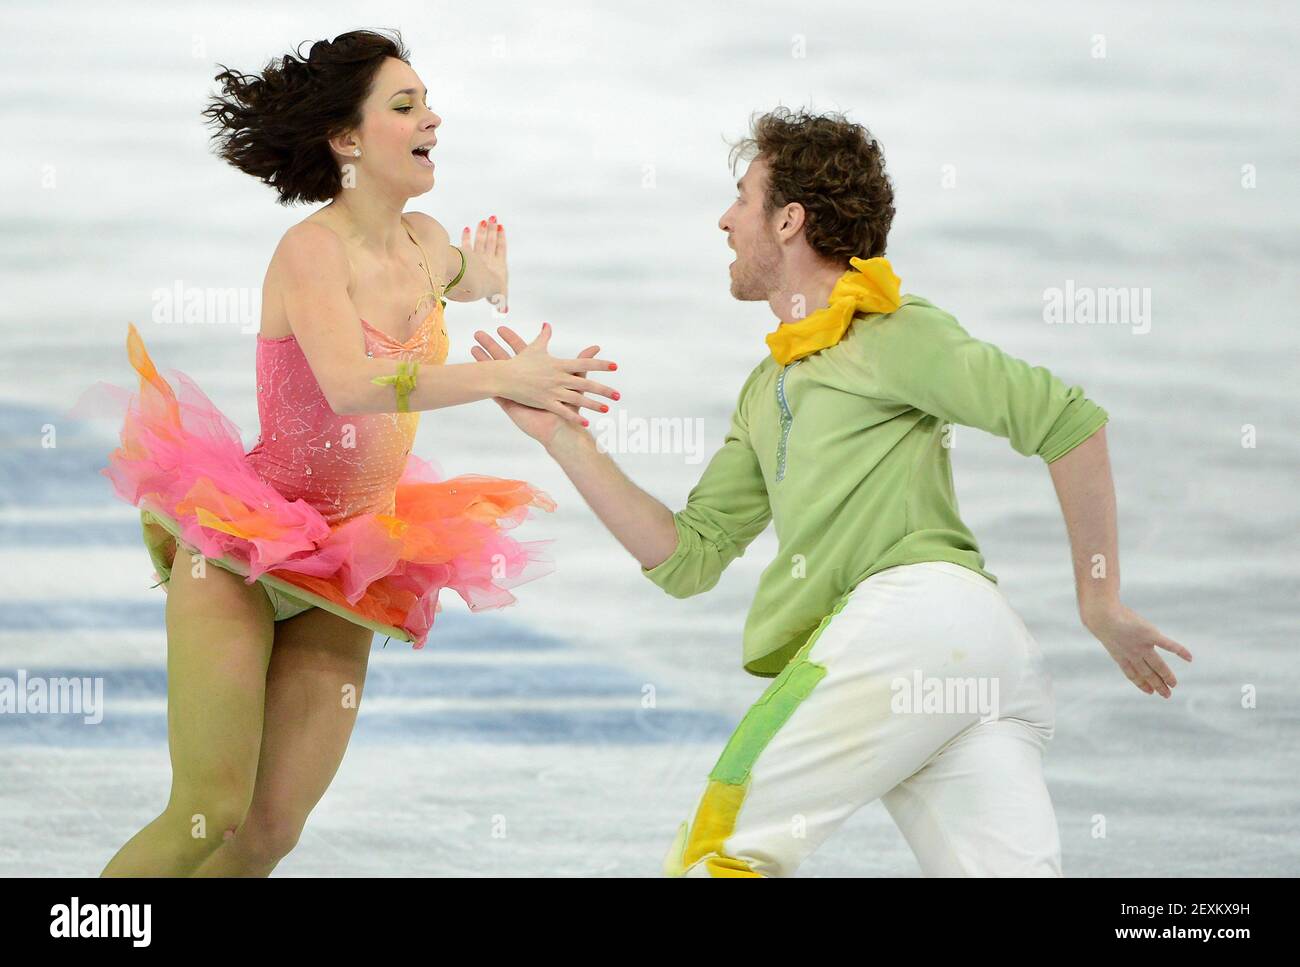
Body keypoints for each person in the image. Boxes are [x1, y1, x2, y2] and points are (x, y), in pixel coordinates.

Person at [469, 106, 1192, 877]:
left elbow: (1067, 421)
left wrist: (1100, 601)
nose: (724, 220)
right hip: (976, 658)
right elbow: (689, 556)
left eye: (742, 198)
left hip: (913, 624)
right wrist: (565, 439)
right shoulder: (768, 388)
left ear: (788, 220)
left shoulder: (894, 331)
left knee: (722, 845)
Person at [67, 29, 617, 877]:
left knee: (269, 830)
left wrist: (489, 279)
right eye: (406, 105)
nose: (432, 117)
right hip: (241, 551)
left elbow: (462, 272)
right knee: (211, 813)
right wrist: (503, 374)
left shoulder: (427, 242)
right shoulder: (309, 253)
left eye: (427, 101)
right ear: (347, 139)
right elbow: (355, 384)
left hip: (349, 563)